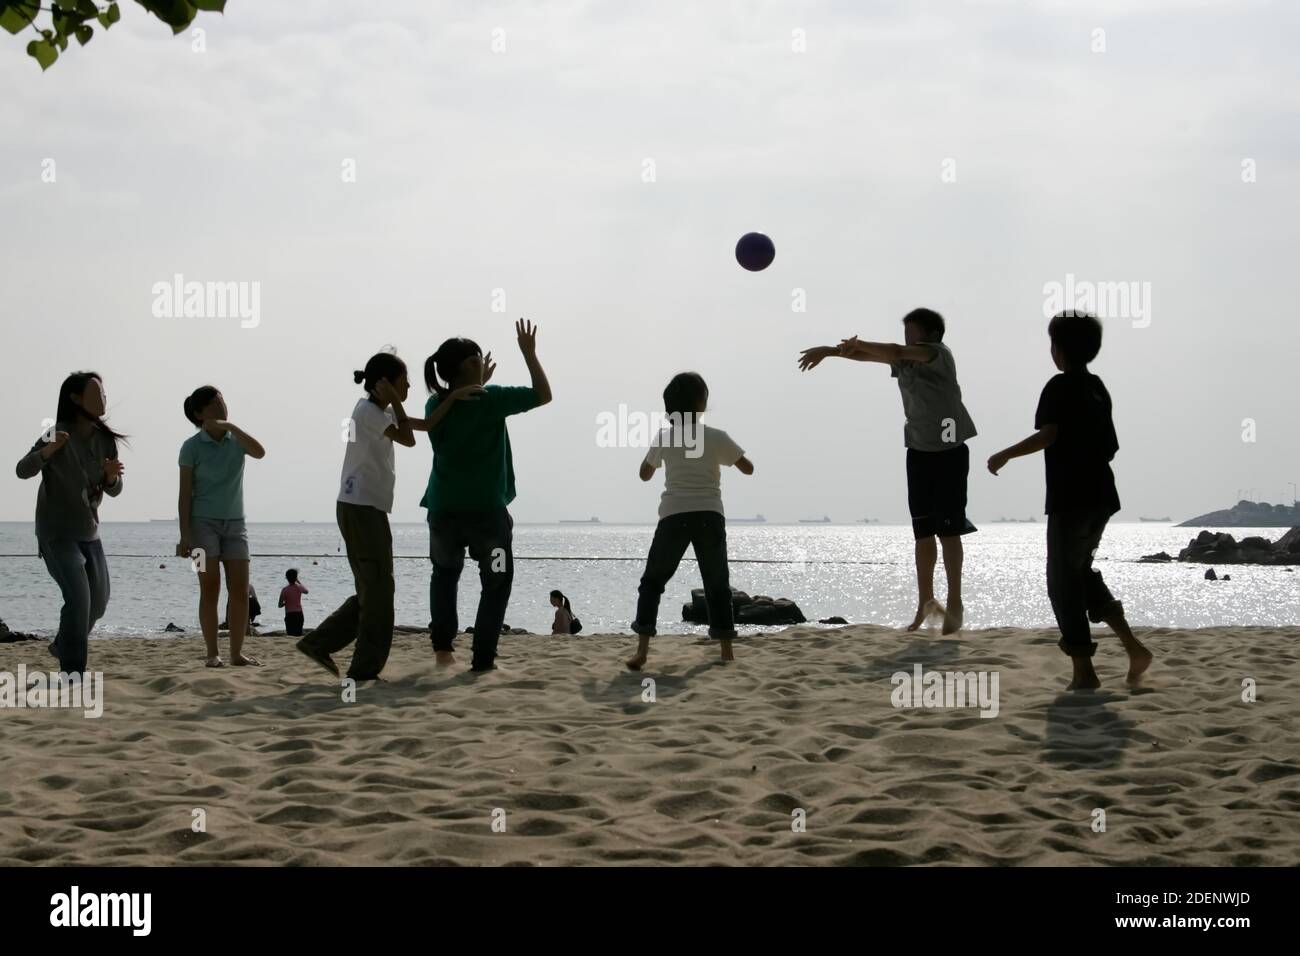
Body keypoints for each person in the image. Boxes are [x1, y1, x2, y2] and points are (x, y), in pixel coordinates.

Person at [987, 311, 1153, 690]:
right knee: (1078, 574)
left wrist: (1005, 454)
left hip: (1072, 498)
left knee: (1062, 583)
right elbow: (1110, 448)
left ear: (1058, 350)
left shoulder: (1058, 387)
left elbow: (1048, 435)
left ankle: (1084, 672)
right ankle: (1132, 647)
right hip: (1102, 496)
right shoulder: (1097, 387)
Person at [799, 307, 977, 634]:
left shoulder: (938, 354)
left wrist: (860, 342)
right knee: (923, 533)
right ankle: (926, 603)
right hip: (919, 452)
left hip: (949, 451)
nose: (907, 339)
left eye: (913, 333)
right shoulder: (903, 360)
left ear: (931, 335)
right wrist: (831, 352)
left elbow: (891, 350)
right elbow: (870, 357)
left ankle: (955, 602)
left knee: (948, 531)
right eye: (906, 333)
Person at [421, 319, 552, 673]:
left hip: (444, 511)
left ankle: (443, 652)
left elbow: (461, 405)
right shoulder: (491, 400)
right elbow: (543, 394)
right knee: (496, 582)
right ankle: (482, 660)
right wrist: (529, 353)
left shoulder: (436, 405)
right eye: (474, 359)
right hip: (486, 516)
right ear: (463, 368)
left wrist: (479, 384)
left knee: (444, 577)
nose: (481, 360)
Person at [296, 352, 416, 681]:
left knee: (373, 588)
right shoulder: (368, 412)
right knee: (379, 591)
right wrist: (396, 403)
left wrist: (456, 401)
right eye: (404, 381)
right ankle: (362, 670)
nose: (410, 386)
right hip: (360, 508)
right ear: (385, 384)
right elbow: (409, 438)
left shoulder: (378, 412)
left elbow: (417, 426)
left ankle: (319, 643)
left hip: (364, 508)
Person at [627, 372, 753, 671]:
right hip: (710, 514)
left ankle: (642, 651)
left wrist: (658, 457)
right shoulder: (716, 436)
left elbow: (644, 474)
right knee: (717, 584)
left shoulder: (664, 437)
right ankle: (726, 651)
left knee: (653, 582)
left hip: (673, 515)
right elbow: (748, 468)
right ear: (702, 404)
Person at [15, 372, 126, 674]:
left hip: (90, 531)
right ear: (76, 399)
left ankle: (63, 642)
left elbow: (114, 489)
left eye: (104, 393)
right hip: (57, 532)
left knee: (98, 604)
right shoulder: (56, 432)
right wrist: (47, 452)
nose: (104, 398)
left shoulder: (105, 439)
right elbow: (22, 470)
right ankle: (73, 672)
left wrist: (111, 477)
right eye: (97, 393)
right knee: (78, 600)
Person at [176, 386, 266, 668]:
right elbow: (184, 494)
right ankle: (212, 653)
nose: (221, 407)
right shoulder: (191, 447)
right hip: (201, 525)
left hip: (235, 525)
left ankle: (237, 653)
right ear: (199, 413)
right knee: (210, 587)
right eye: (214, 404)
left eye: (222, 401)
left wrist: (230, 427)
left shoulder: (235, 439)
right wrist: (184, 536)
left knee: (240, 589)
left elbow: (260, 452)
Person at [279, 568, 308, 637]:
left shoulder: (285, 590)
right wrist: (298, 582)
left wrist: (286, 603)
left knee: (290, 634)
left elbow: (280, 605)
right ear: (296, 578)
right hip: (299, 613)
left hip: (289, 614)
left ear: (286, 578)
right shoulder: (299, 587)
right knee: (298, 633)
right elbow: (306, 591)